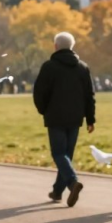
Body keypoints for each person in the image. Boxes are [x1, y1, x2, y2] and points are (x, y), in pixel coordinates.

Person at [33, 32, 95, 208]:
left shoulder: (49, 67)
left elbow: (39, 93)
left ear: (55, 46)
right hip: (76, 117)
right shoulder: (83, 67)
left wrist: (43, 110)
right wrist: (90, 118)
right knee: (66, 154)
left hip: (55, 115)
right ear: (72, 46)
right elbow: (89, 95)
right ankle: (58, 191)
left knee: (58, 153)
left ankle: (73, 182)